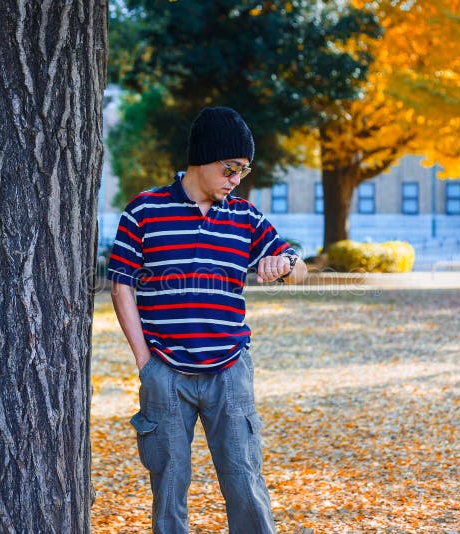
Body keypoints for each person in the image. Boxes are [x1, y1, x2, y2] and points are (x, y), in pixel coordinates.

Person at [108, 106, 307, 534]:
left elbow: (298, 266)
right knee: (169, 488)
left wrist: (286, 263)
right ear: (203, 158)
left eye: (243, 171)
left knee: (244, 481)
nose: (237, 180)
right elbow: (121, 284)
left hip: (229, 371)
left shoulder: (245, 217)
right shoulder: (144, 211)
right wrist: (146, 363)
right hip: (165, 372)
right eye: (231, 169)